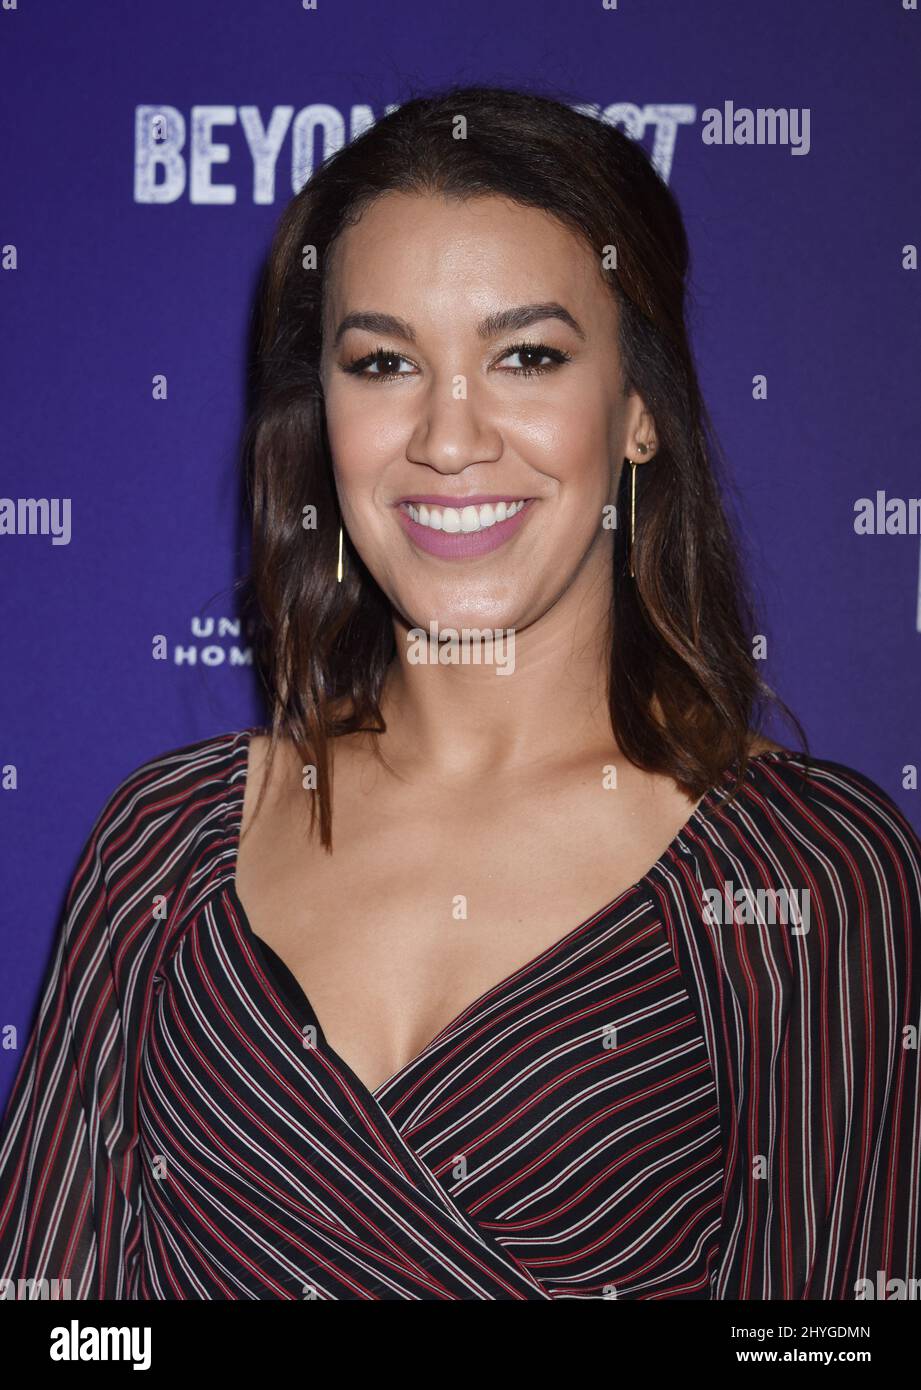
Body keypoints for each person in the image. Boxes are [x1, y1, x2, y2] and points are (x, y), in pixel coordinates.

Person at [1, 84, 919, 1301]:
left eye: (526, 355)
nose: (447, 435)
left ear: (640, 411)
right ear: (323, 418)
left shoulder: (806, 876)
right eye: (383, 363)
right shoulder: (162, 851)